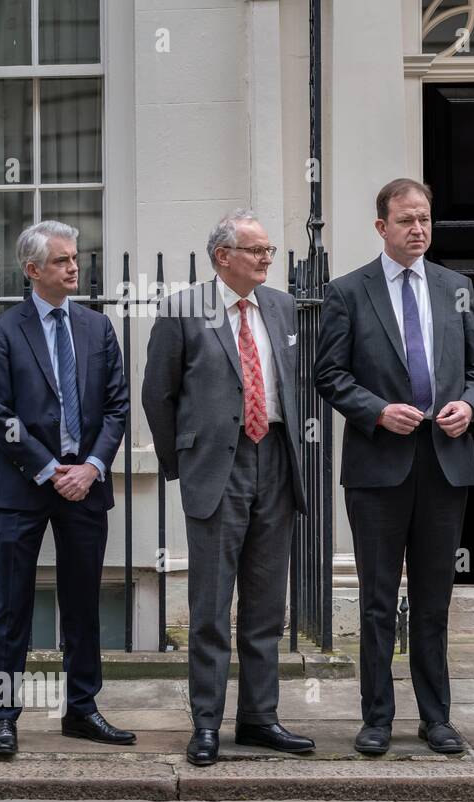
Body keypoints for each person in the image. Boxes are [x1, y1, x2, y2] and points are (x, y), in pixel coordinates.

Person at [315, 178, 474, 756]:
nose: (418, 229)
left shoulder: (456, 287)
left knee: (436, 600)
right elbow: (330, 374)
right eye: (407, 220)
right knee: (376, 599)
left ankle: (436, 717)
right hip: (378, 468)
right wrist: (375, 411)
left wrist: (470, 403)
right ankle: (377, 717)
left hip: (444, 463)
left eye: (425, 219)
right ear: (381, 227)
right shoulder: (348, 291)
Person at [144, 209, 314, 766]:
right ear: (223, 256)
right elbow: (157, 395)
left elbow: (293, 384)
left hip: (276, 462)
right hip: (218, 468)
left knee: (266, 608)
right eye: (256, 250)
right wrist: (183, 464)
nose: (268, 258)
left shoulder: (282, 306)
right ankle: (207, 723)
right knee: (211, 608)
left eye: (269, 250)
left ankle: (260, 718)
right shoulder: (183, 308)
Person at [0, 220, 133, 755]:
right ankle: (3, 715)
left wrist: (89, 468)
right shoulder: (2, 331)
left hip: (85, 485)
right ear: (33, 270)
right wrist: (50, 470)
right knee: (11, 606)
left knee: (83, 601)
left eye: (76, 258)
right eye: (64, 260)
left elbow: (117, 407)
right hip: (23, 486)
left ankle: (83, 710)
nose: (75, 267)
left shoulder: (97, 328)